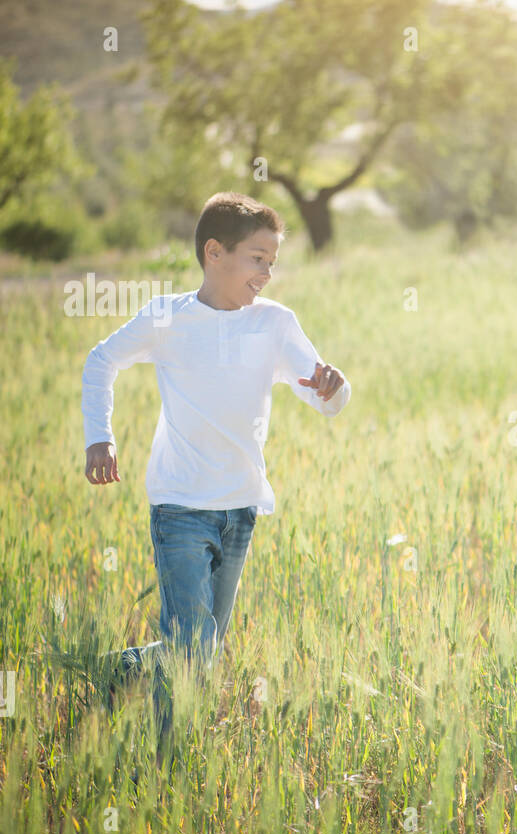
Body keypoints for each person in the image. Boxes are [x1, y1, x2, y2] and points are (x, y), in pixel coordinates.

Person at [81, 192, 350, 736]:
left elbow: (322, 397)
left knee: (201, 647)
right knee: (191, 654)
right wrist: (99, 437)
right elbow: (101, 360)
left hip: (241, 509)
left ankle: (119, 670)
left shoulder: (275, 324)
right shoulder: (167, 318)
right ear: (214, 253)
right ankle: (165, 766)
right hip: (179, 506)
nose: (267, 273)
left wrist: (335, 387)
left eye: (273, 262)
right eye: (257, 259)